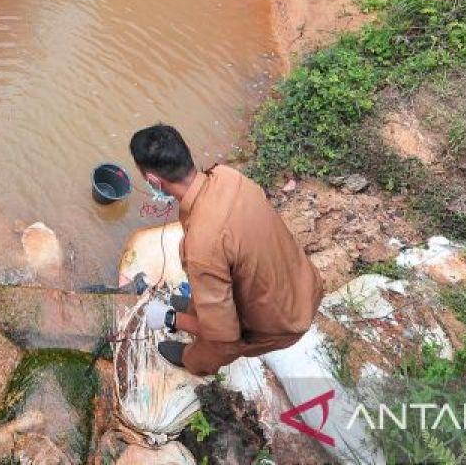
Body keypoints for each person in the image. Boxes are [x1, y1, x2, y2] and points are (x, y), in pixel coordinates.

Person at [129, 124, 323, 375]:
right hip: (302, 286)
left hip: (283, 322)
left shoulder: (203, 245)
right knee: (209, 290)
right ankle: (194, 309)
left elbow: (224, 337)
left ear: (154, 181)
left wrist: (171, 319)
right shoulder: (227, 177)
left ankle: (193, 361)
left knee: (215, 345)